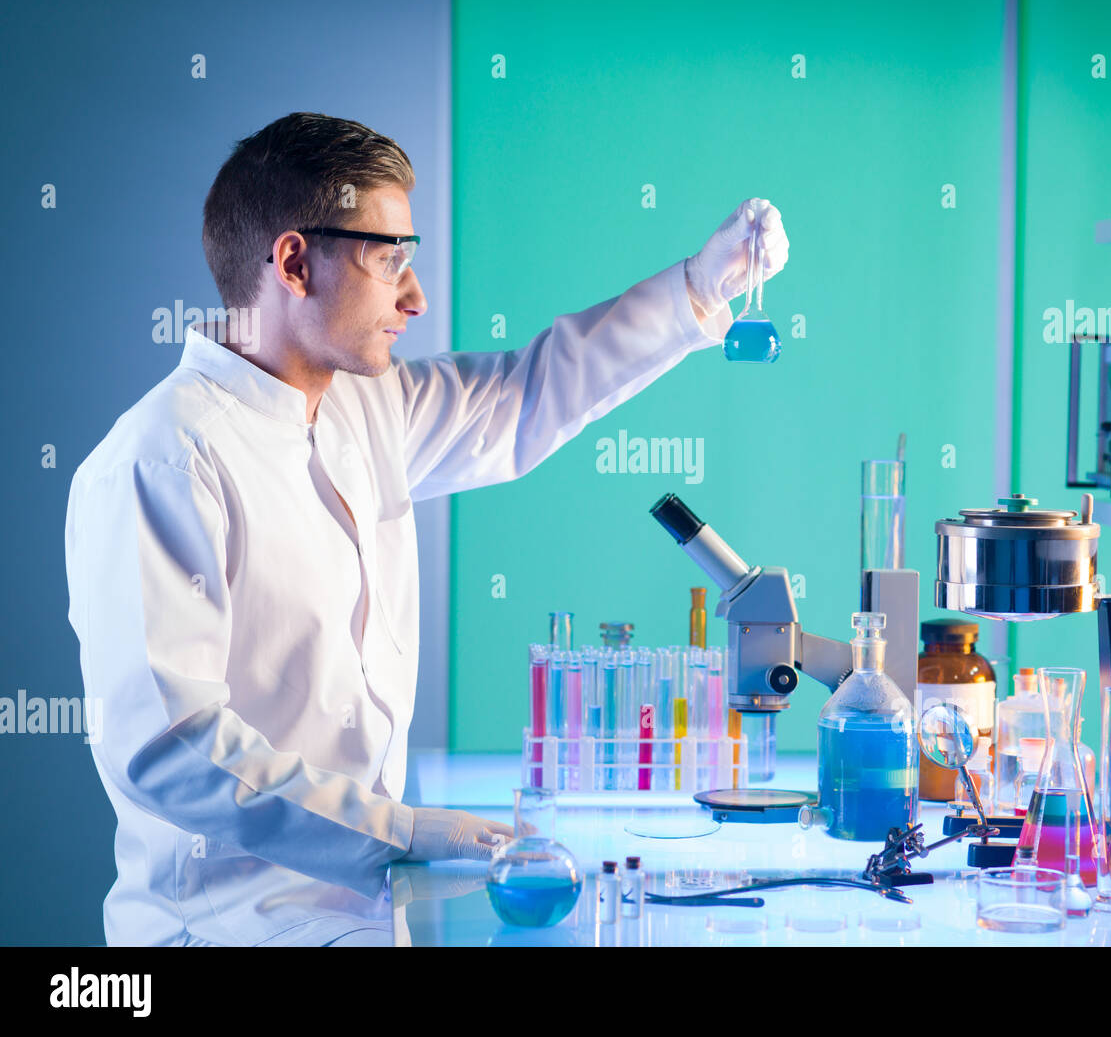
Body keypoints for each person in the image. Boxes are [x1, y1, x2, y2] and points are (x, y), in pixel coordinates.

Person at [63, 112, 789, 946]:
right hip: (228, 930)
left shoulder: (365, 404)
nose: (416, 296)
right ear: (295, 262)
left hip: (370, 916)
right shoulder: (162, 460)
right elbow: (170, 743)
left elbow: (526, 395)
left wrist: (698, 288)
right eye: (391, 259)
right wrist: (400, 830)